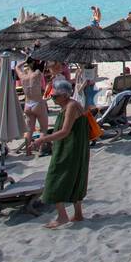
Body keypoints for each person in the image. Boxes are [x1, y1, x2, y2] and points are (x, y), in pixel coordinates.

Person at [35, 78, 90, 228]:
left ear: (65, 95)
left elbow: (65, 131)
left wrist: (43, 139)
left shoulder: (71, 106)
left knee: (56, 178)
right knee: (76, 177)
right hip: (74, 147)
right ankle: (78, 214)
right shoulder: (69, 105)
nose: (53, 99)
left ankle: (62, 216)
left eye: (55, 96)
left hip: (70, 149)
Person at [17, 59, 49, 155]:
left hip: (27, 104)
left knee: (29, 130)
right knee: (43, 128)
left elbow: (17, 67)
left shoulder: (23, 76)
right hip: (37, 103)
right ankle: (40, 150)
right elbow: (44, 63)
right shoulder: (37, 74)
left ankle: (28, 151)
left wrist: (25, 60)